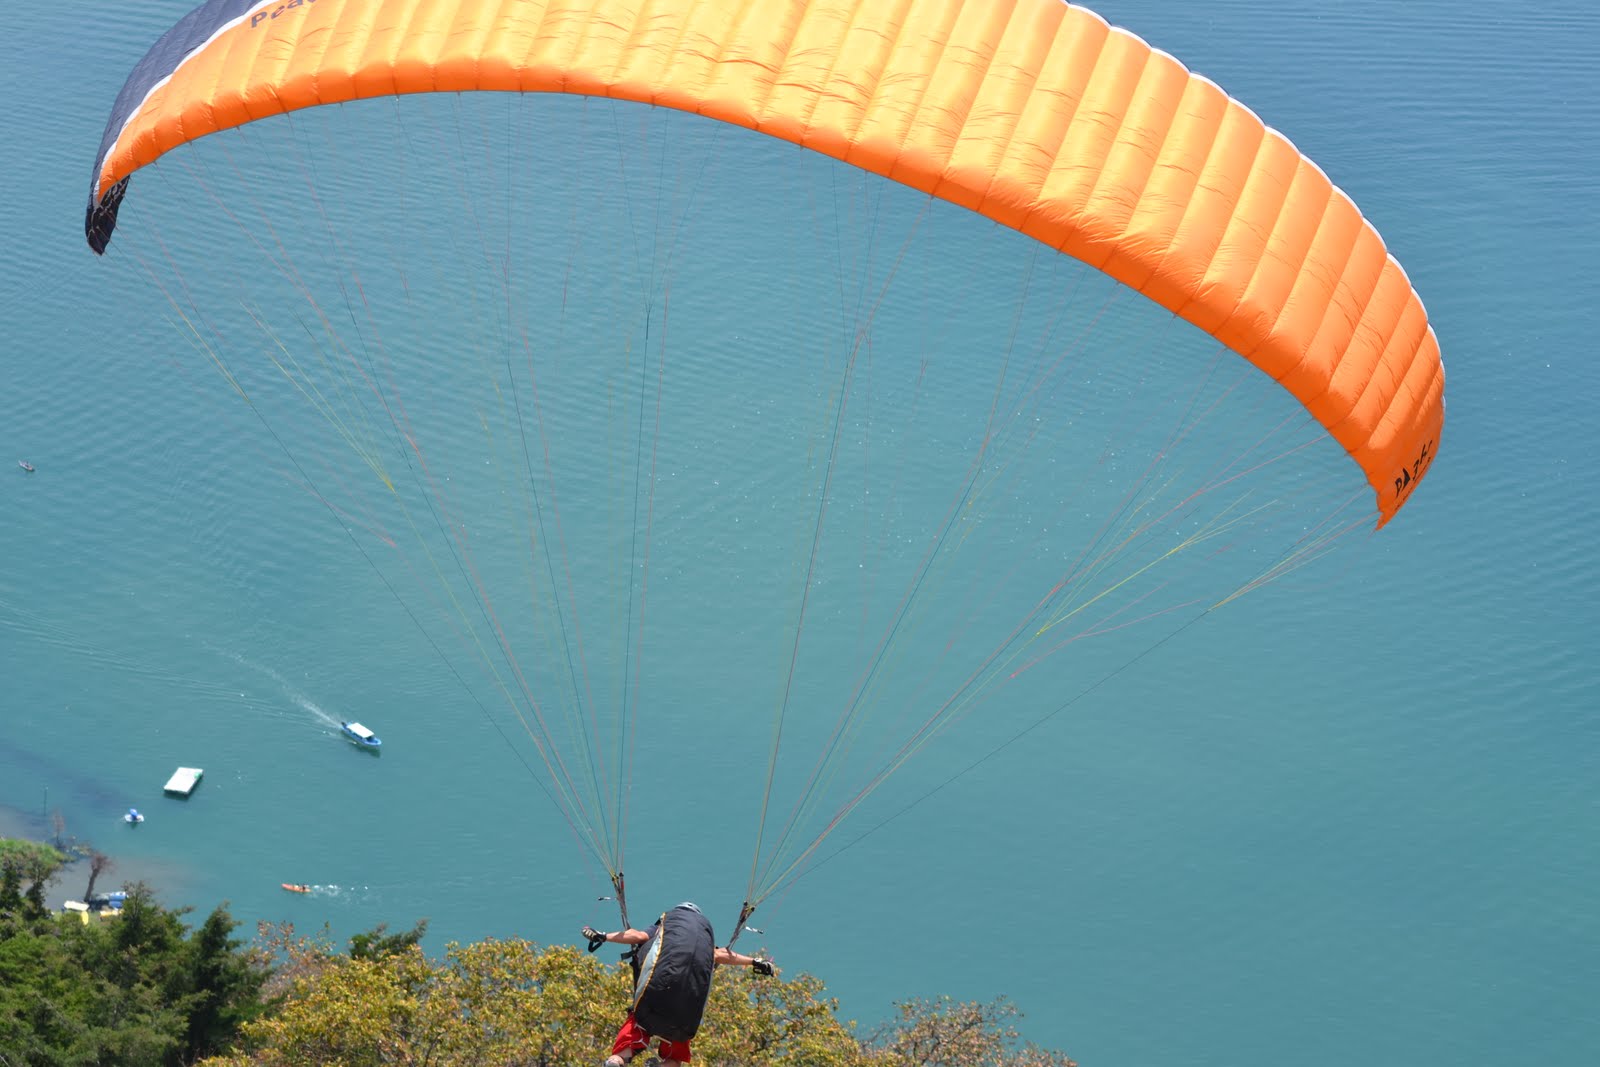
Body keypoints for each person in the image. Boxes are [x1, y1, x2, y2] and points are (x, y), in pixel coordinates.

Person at [583, 902, 775, 1066]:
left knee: (629, 1042)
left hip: (651, 1004)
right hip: (683, 1017)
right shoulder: (703, 942)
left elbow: (638, 937)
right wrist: (754, 961)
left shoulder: (661, 929)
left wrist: (604, 936)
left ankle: (616, 1062)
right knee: (675, 1059)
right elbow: (721, 955)